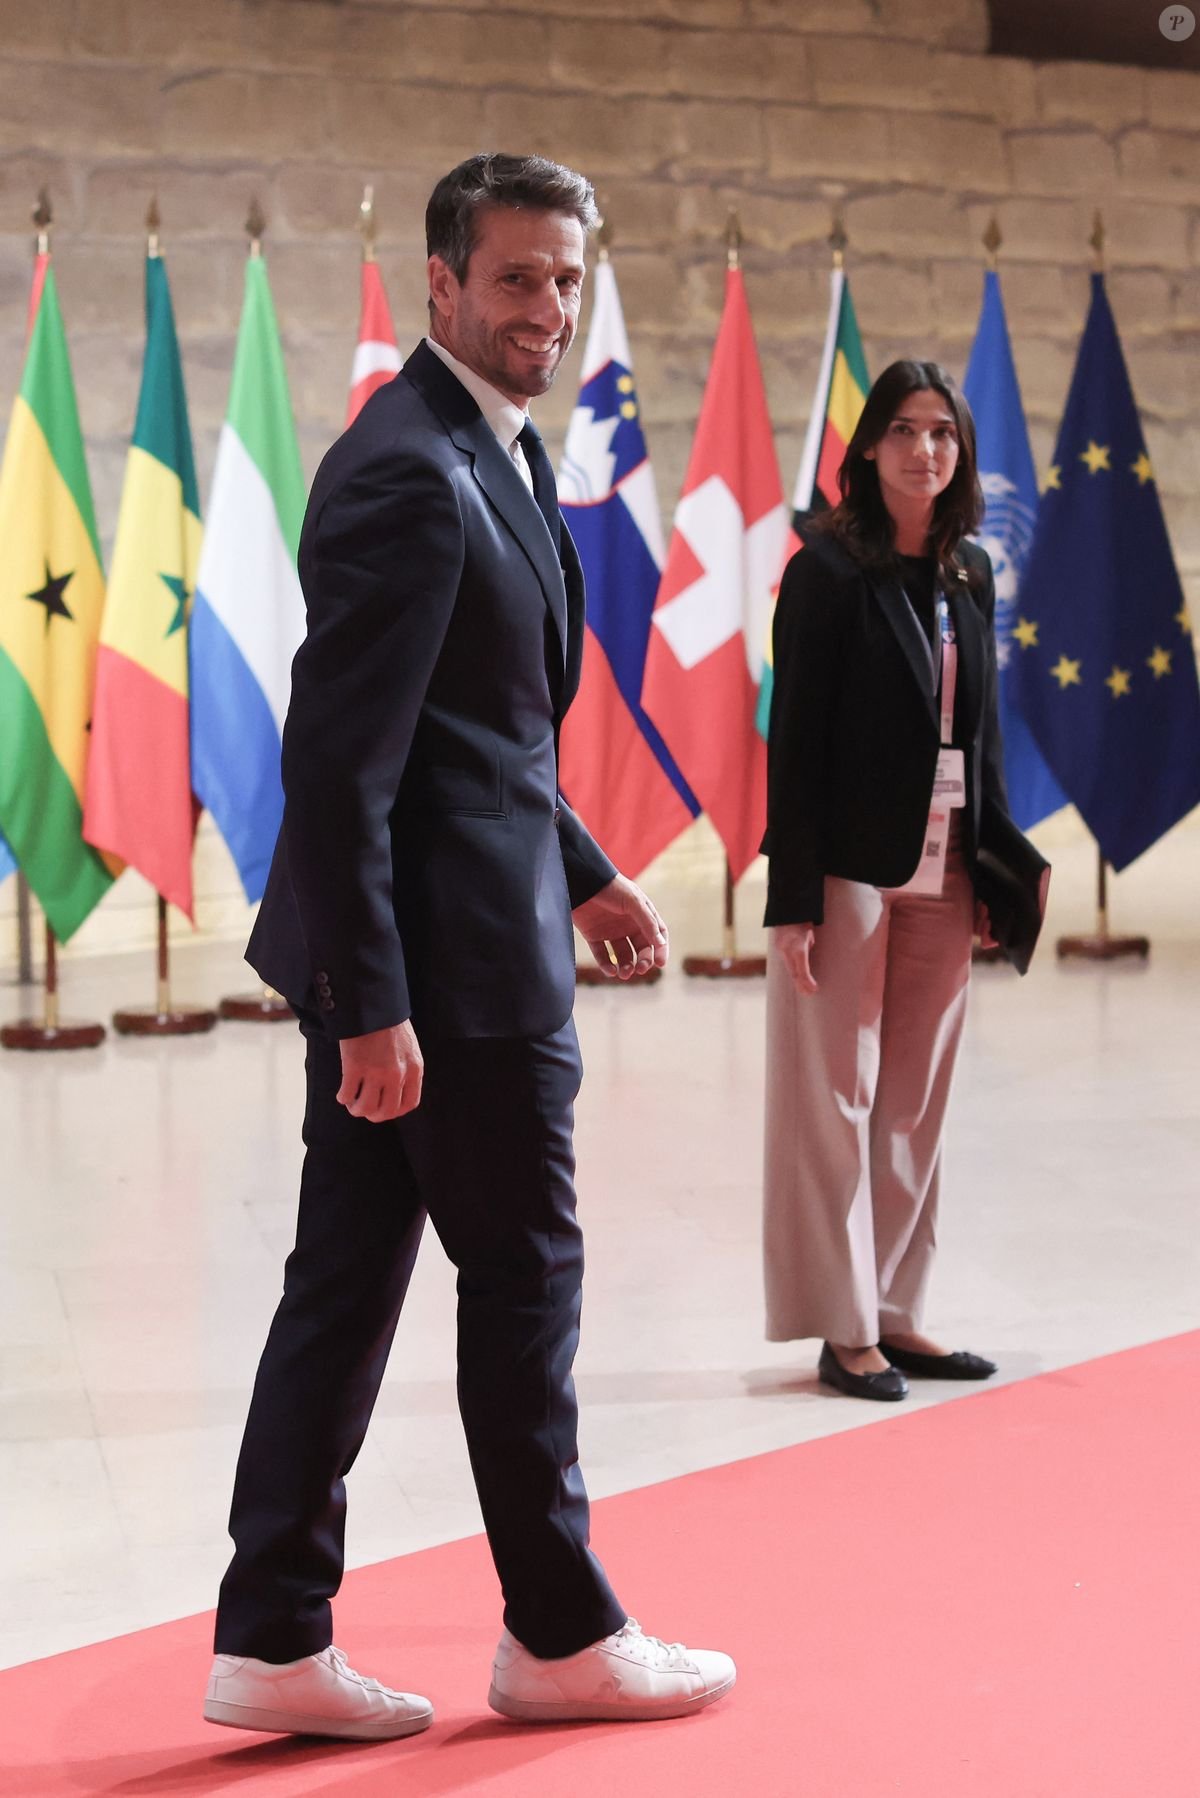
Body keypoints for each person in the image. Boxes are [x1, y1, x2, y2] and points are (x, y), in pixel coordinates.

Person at [203, 153, 734, 1741]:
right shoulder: (408, 471)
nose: (548, 308)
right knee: (523, 1280)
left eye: (567, 279)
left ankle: (272, 1635)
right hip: (447, 983)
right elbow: (339, 766)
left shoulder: (487, 446)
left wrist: (583, 865)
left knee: (344, 1285)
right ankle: (559, 1633)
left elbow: (475, 733)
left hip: (459, 941)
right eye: (516, 278)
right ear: (442, 283)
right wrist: (373, 1005)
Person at [761, 360, 1046, 1403]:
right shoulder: (828, 570)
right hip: (850, 866)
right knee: (835, 1099)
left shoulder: (970, 570)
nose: (926, 451)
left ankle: (897, 1311)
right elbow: (794, 744)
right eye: (906, 431)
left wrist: (995, 872)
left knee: (916, 1100)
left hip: (949, 861)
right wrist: (794, 900)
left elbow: (982, 734)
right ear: (871, 445)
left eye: (943, 433)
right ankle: (843, 1329)